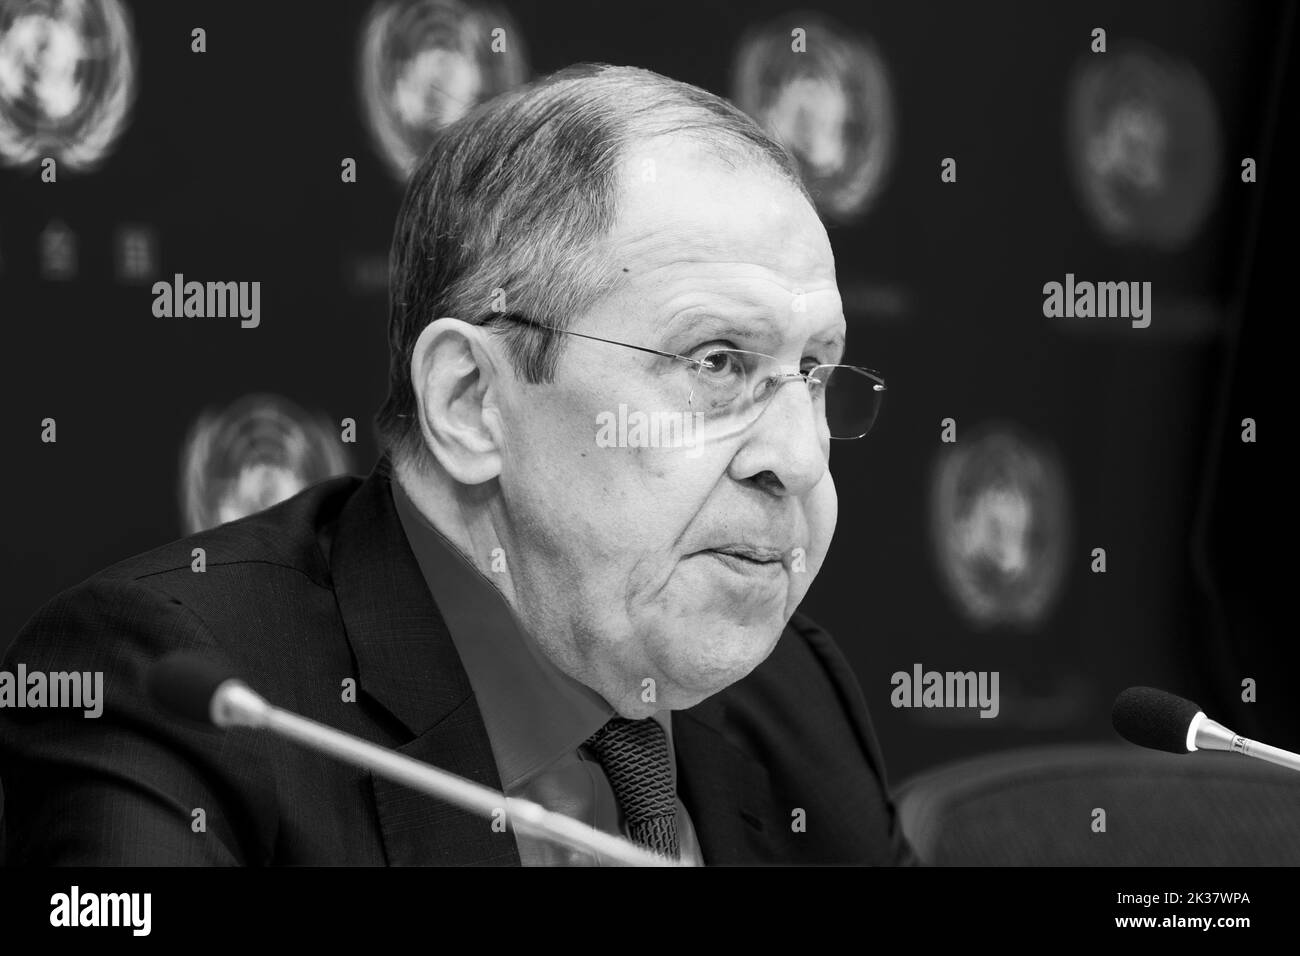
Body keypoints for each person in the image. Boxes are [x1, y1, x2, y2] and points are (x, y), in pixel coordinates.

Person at [0, 63, 917, 866]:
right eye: (716, 364)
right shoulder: (188, 694)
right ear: (471, 402)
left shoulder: (787, 696)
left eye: (814, 373)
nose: (799, 458)